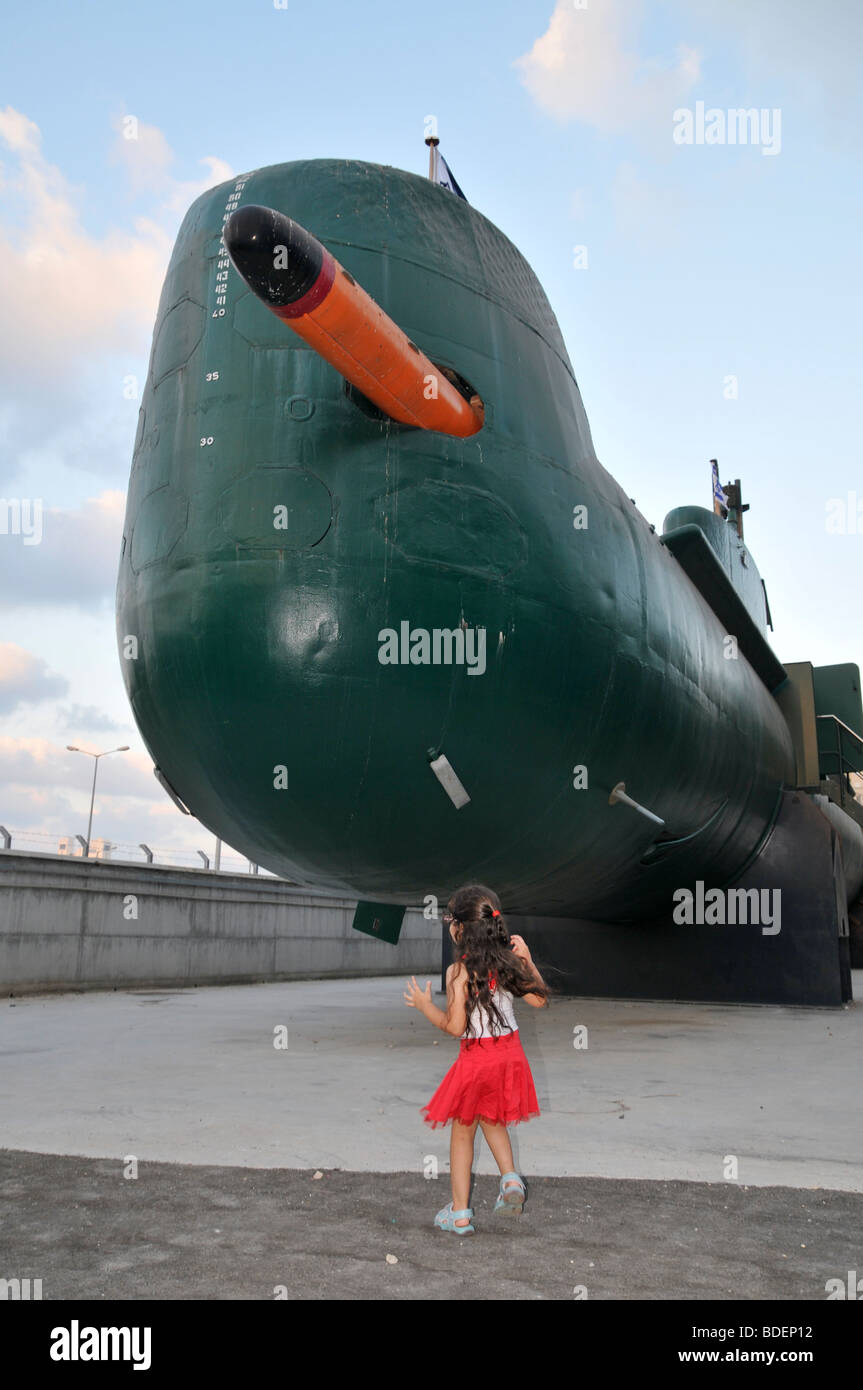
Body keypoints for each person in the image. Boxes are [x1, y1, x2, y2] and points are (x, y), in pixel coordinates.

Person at [403, 883, 549, 1235]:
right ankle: (511, 1180)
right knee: (492, 1118)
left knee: (462, 1133)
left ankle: (460, 1213)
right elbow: (540, 1000)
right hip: (510, 1055)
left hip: (477, 1059)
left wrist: (426, 1008)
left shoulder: (459, 972)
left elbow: (454, 1027)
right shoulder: (509, 962)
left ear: (460, 929)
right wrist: (527, 959)